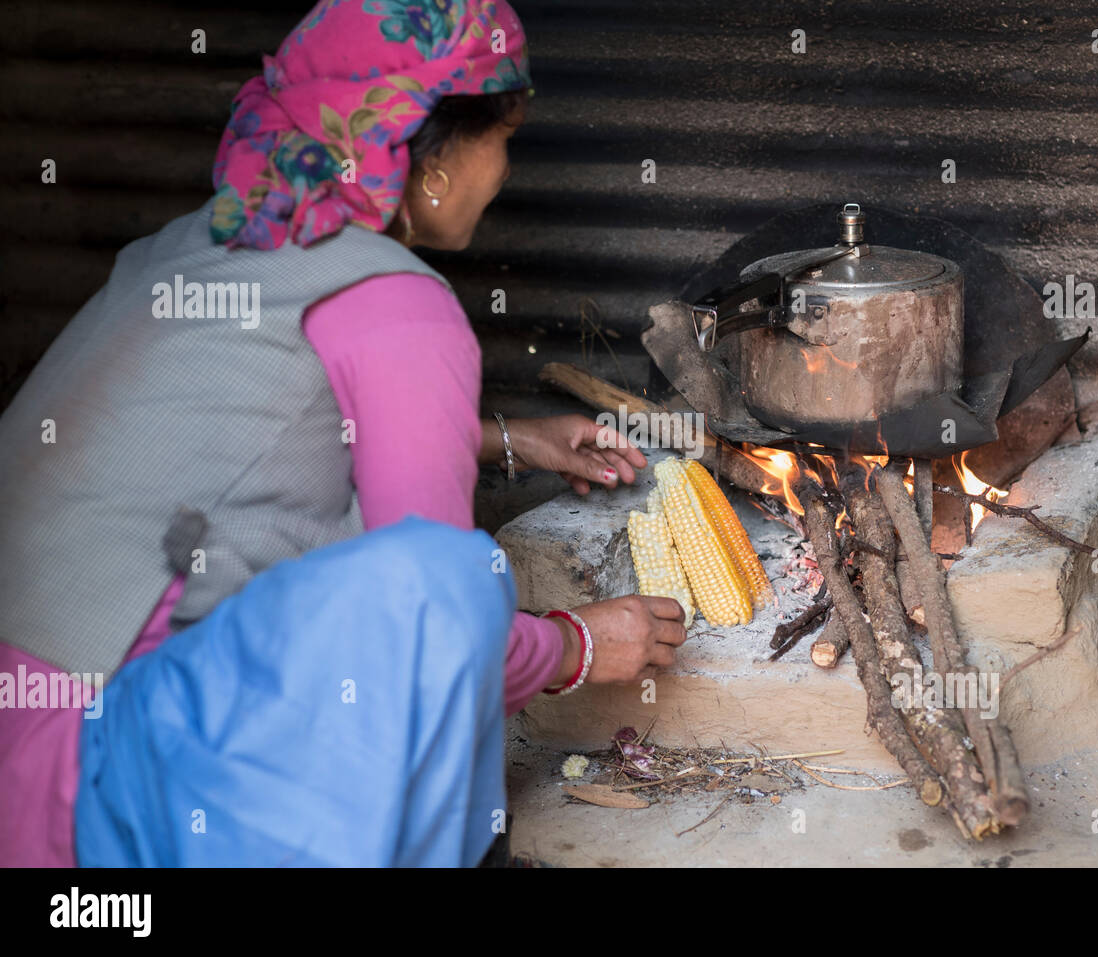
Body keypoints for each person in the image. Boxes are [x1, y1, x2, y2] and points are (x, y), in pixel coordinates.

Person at [0, 0, 688, 867]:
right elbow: (437, 627)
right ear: (432, 157)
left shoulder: (195, 246)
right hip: (105, 784)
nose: (507, 171)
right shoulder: (402, 301)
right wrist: (577, 644)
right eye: (504, 138)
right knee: (454, 574)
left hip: (23, 748)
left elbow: (260, 439)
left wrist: (512, 438)